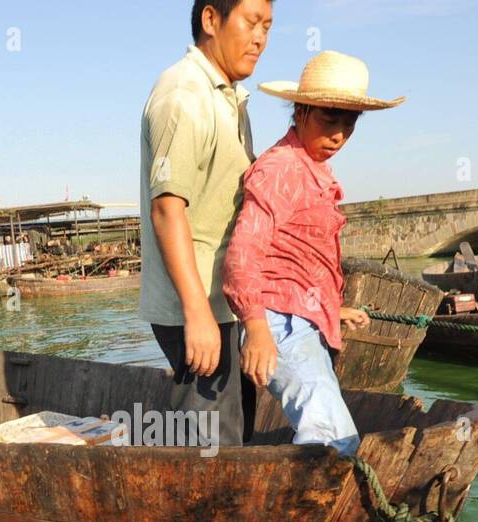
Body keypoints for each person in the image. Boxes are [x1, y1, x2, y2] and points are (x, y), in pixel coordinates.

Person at [222, 51, 404, 455]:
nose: (339, 133)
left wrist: (329, 307)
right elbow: (242, 257)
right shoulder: (281, 169)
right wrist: (256, 329)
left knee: (332, 436)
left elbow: (293, 257)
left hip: (296, 319)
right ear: (300, 111)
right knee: (333, 441)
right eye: (328, 118)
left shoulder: (312, 166)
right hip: (279, 325)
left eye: (349, 121)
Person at [139, 0, 274, 447]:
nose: (260, 38)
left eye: (267, 27)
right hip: (193, 306)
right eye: (251, 22)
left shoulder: (229, 98)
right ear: (211, 20)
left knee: (233, 428)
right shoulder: (183, 95)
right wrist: (197, 313)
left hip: (222, 301)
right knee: (209, 445)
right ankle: (197, 518)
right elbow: (167, 208)